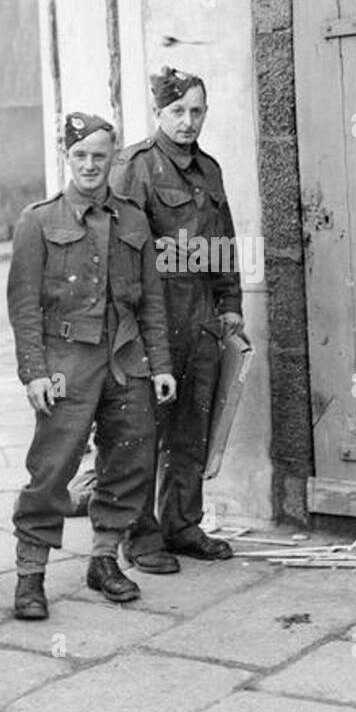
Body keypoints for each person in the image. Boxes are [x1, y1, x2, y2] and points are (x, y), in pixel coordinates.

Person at [6, 112, 174, 619]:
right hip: (66, 361)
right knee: (52, 466)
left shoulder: (134, 219)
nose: (90, 165)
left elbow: (151, 300)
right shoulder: (38, 220)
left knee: (129, 457)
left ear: (113, 158)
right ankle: (29, 576)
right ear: (67, 156)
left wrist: (160, 364)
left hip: (125, 357)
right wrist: (34, 371)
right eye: (80, 155)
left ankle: (103, 560)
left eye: (100, 156)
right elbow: (23, 305)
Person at [109, 67, 242, 573]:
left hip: (202, 317)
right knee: (145, 430)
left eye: (196, 111)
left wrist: (230, 303)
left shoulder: (209, 170)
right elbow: (121, 255)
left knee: (192, 428)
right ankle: (140, 537)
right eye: (177, 112)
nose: (188, 122)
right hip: (155, 317)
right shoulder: (136, 167)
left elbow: (222, 244)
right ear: (158, 113)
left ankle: (183, 525)